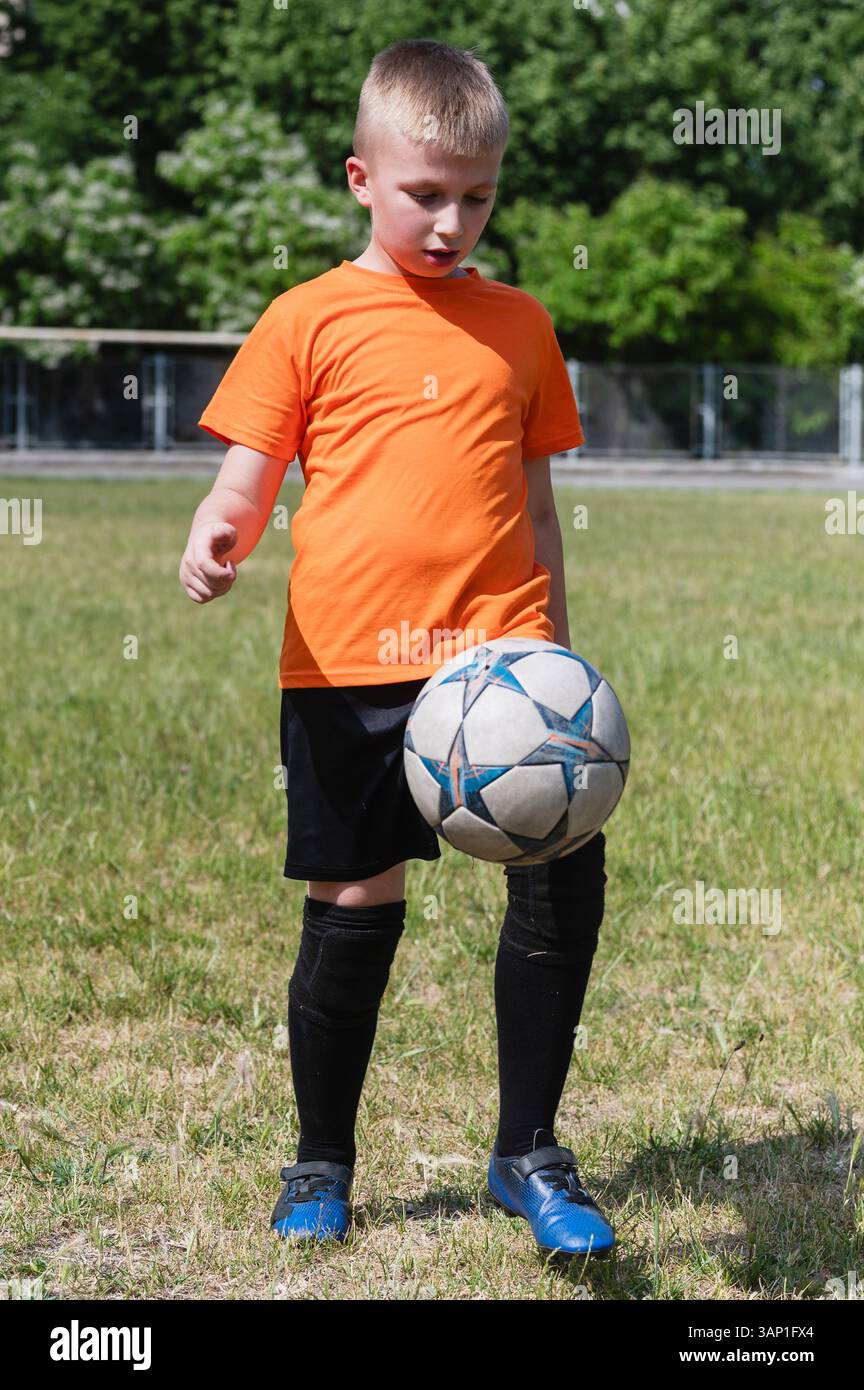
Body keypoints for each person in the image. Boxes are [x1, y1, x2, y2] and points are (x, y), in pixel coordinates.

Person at [179, 37, 614, 1261]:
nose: (452, 221)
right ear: (364, 178)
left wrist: (557, 661)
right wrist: (220, 535)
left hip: (497, 675)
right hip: (348, 668)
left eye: (477, 197)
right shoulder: (307, 316)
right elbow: (247, 474)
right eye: (428, 193)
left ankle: (527, 1150)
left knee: (560, 883)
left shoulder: (521, 326)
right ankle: (322, 1159)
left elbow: (533, 507)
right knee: (355, 905)